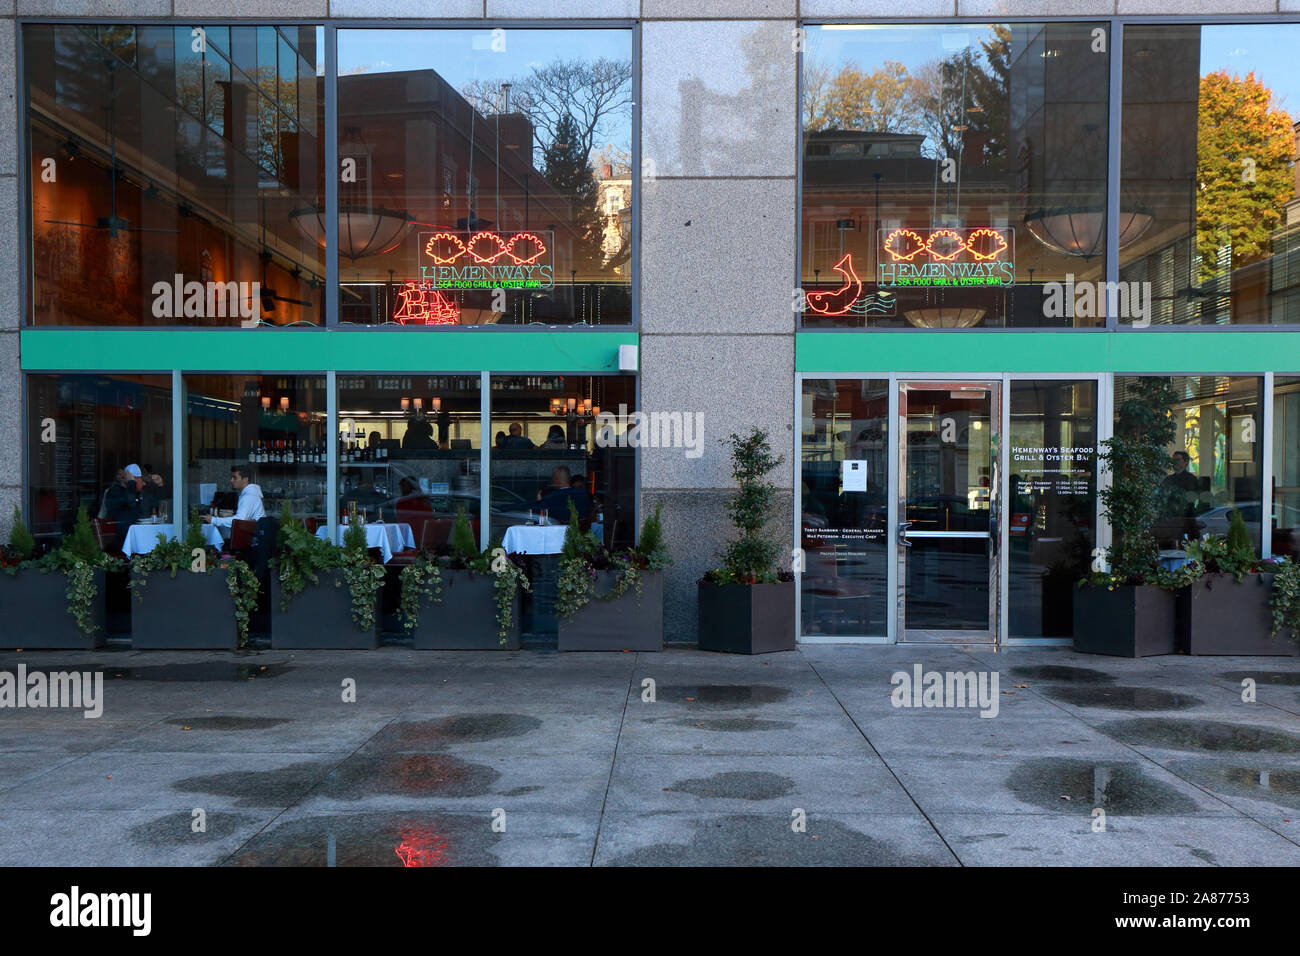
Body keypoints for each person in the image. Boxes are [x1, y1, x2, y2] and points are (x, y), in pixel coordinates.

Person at [204, 465, 265, 530]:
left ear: (245, 480)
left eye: (235, 478)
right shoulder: (250, 493)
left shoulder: (249, 496)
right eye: (231, 478)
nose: (231, 480)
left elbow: (239, 521)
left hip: (255, 537)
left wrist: (213, 520)